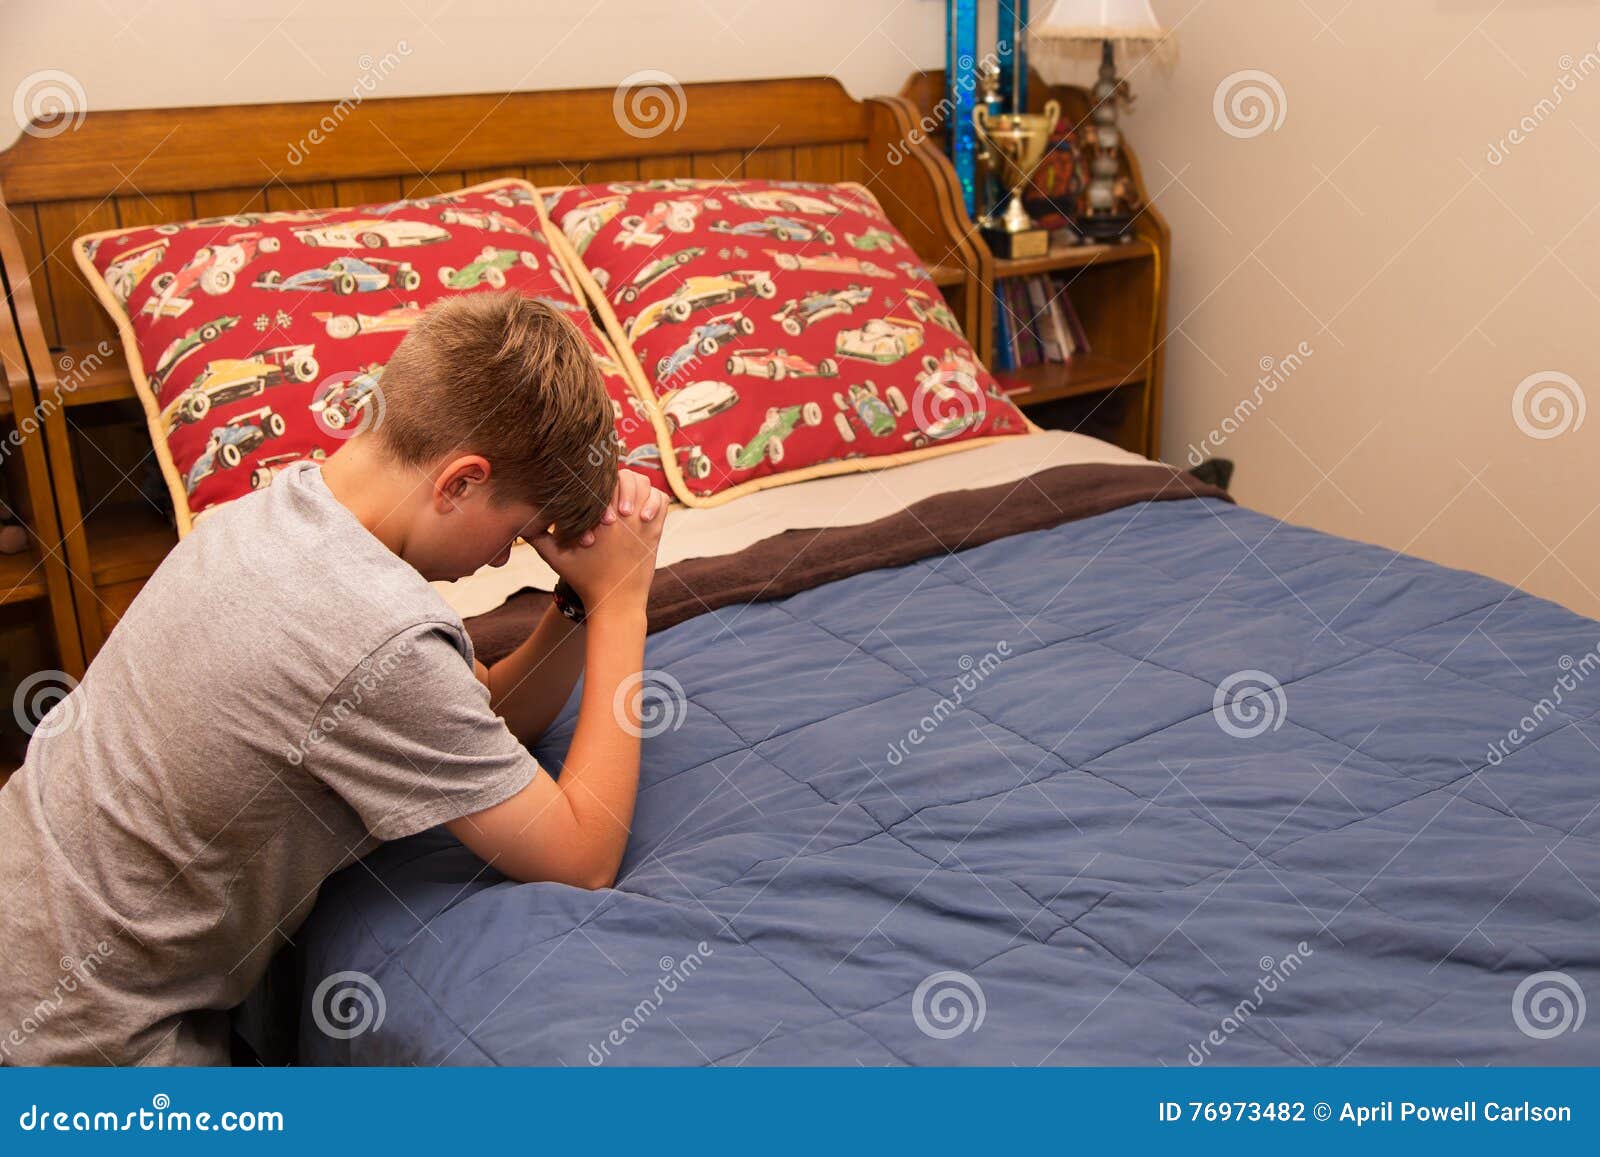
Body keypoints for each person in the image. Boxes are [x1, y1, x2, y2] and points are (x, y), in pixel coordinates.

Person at [0, 292, 665, 1065]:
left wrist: (578, 600)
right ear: (459, 482)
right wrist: (625, 604)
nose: (500, 559)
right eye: (514, 532)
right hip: (72, 1051)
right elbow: (583, 859)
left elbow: (481, 719)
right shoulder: (376, 634)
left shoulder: (278, 509)